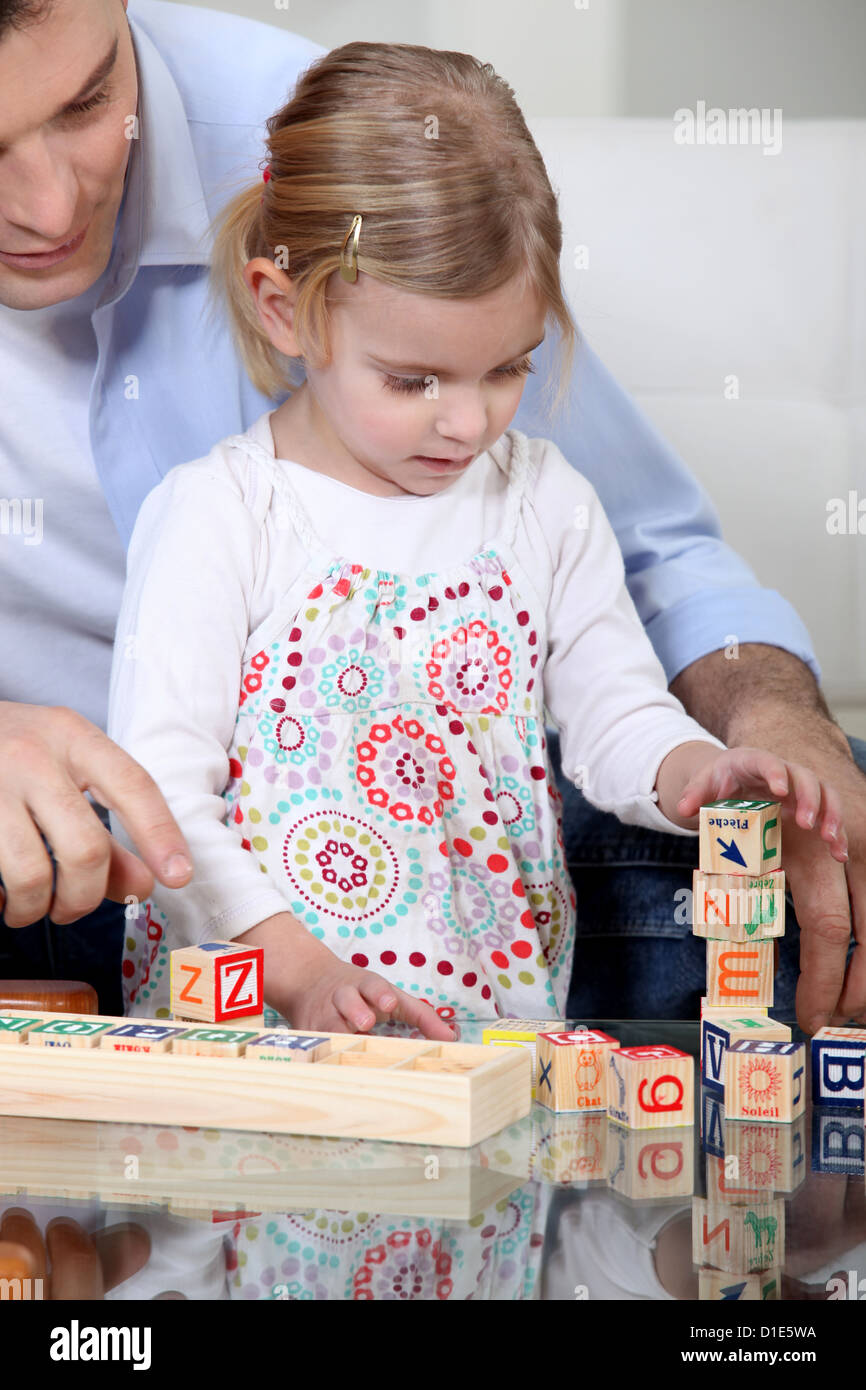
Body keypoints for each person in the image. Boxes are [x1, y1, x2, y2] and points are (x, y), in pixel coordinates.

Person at [0, 0, 862, 1030]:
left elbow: (617, 708)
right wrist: (306, 974)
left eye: (508, 369)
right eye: (412, 380)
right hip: (247, 964)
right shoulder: (221, 509)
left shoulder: (540, 489)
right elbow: (169, 798)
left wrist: (713, 765)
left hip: (493, 1004)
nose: (465, 421)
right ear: (284, 309)